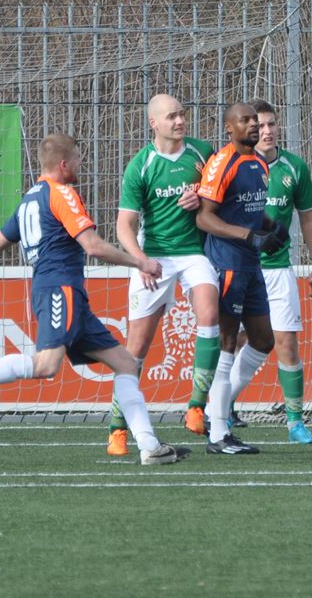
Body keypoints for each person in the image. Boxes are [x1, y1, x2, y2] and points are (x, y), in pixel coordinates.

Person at [0, 134, 189, 467]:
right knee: (46, 365)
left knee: (126, 363)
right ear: (64, 164)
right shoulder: (63, 194)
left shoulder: (30, 197)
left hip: (64, 292)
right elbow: (93, 247)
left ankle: (149, 447)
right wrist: (141, 262)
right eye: (79, 160)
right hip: (60, 289)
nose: (82, 166)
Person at [106, 94, 221, 456]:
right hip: (153, 256)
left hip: (192, 253)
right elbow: (125, 224)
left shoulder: (203, 153)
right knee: (136, 348)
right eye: (172, 116)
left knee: (210, 314)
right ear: (154, 123)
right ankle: (117, 429)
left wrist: (200, 198)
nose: (180, 121)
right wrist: (140, 260)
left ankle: (196, 406)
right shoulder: (141, 165)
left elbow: (221, 196)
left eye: (182, 114)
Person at [224, 98, 312, 444]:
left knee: (286, 344)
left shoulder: (293, 168)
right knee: (231, 340)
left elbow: (307, 218)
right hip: (235, 267)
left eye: (271, 124)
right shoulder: (229, 165)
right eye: (259, 124)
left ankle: (295, 421)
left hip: (277, 269)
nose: (265, 131)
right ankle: (218, 406)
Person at [196, 102, 281, 455]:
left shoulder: (259, 162)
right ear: (229, 128)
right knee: (227, 342)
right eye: (245, 120)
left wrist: (269, 227)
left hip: (251, 263)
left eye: (255, 120)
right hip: (227, 262)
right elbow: (205, 218)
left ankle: (212, 411)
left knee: (263, 340)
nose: (254, 125)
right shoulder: (222, 163)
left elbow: (251, 208)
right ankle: (219, 432)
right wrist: (247, 236)